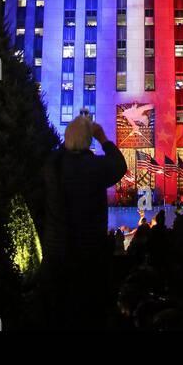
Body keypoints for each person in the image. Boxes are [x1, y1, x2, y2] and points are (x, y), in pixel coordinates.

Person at [40, 114, 128, 327]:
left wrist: (71, 138)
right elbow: (119, 166)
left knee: (58, 314)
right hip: (88, 253)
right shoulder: (94, 168)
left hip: (57, 253)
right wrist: (103, 138)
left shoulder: (52, 166)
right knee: (87, 312)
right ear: (89, 141)